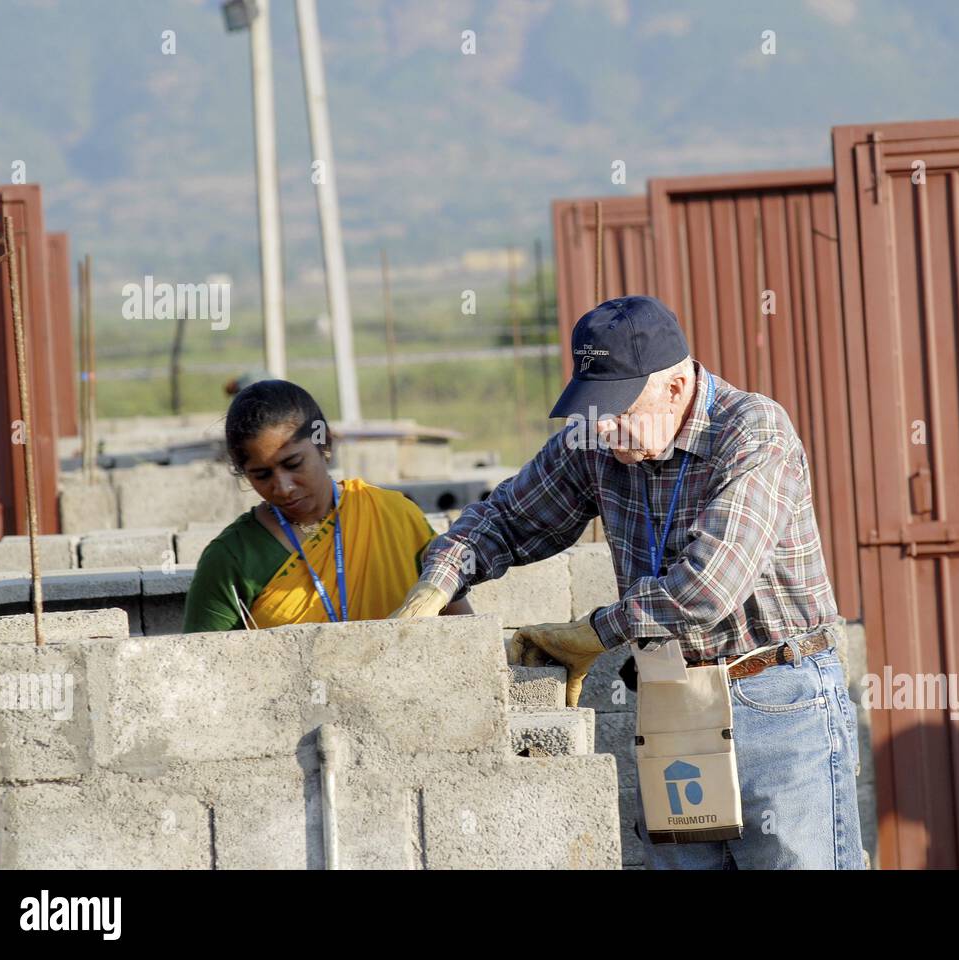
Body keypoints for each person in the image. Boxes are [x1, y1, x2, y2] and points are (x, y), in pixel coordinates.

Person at [394, 295, 863, 870]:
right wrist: (439, 580)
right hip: (671, 706)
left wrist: (596, 631)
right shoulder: (598, 439)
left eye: (620, 408)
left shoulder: (753, 432)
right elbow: (504, 519)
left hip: (773, 700)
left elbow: (707, 589)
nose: (606, 427)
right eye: (595, 409)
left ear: (674, 386)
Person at [183, 379, 471, 632]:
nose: (283, 487)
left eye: (293, 463)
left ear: (324, 442)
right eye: (261, 475)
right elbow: (205, 671)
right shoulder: (230, 560)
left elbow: (463, 630)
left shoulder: (395, 515)